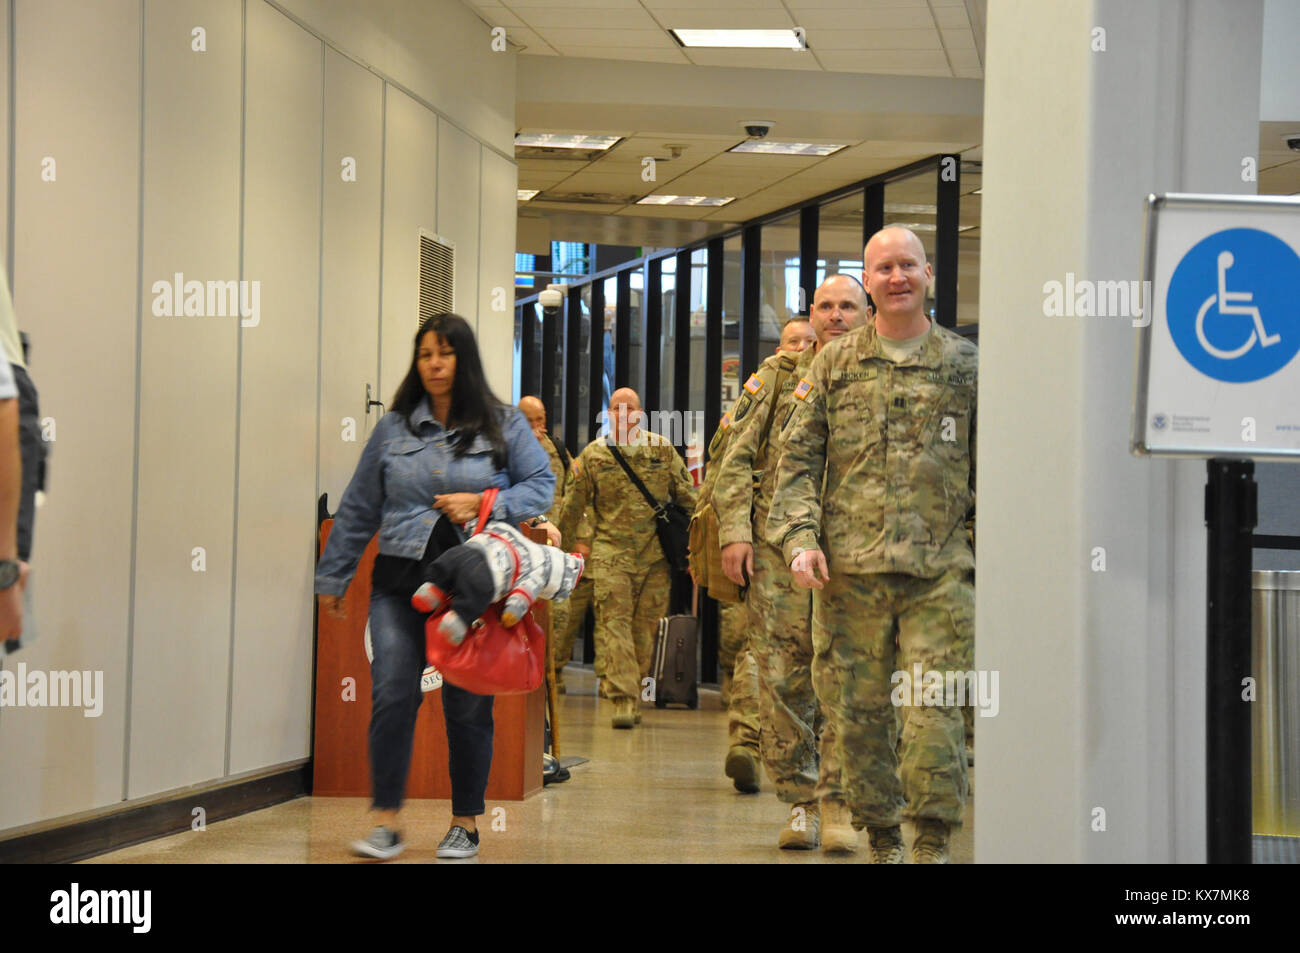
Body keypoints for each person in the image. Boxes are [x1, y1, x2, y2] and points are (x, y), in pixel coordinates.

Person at [767, 227, 977, 864]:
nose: (897, 278)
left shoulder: (966, 366)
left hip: (937, 576)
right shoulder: (833, 363)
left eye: (907, 265)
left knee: (934, 712)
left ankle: (932, 841)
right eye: (883, 268)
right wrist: (800, 540)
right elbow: (797, 459)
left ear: (928, 274)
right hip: (848, 577)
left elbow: (1002, 463)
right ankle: (882, 838)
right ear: (869, 279)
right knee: (857, 718)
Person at [316, 313, 555, 861]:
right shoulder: (394, 427)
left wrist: (487, 503)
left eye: (445, 354)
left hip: (473, 588)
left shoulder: (502, 424)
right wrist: (335, 574)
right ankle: (385, 821)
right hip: (399, 582)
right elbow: (358, 507)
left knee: (466, 704)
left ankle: (465, 821)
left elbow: (541, 483)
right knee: (392, 693)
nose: (435, 364)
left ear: (462, 359)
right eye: (425, 354)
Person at [713, 283, 869, 849]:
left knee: (847, 678)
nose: (835, 316)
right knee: (782, 678)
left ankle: (839, 806)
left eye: (846, 306)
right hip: (779, 555)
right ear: (811, 315)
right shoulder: (778, 377)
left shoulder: (879, 373)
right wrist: (734, 533)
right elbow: (736, 459)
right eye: (825, 307)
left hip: (854, 555)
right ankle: (801, 802)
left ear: (865, 313)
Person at [706, 318, 817, 797]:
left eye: (808, 341)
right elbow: (727, 453)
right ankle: (751, 746)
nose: (803, 347)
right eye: (795, 340)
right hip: (770, 542)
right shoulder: (772, 379)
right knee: (766, 649)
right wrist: (734, 532)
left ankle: (820, 777)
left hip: (833, 545)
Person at [556, 388, 696, 729]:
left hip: (654, 558)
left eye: (629, 407)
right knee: (613, 625)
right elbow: (572, 505)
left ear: (640, 414)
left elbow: (688, 498)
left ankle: (634, 686)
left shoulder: (661, 450)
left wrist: (699, 546)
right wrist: (559, 546)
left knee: (644, 630)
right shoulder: (594, 456)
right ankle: (623, 698)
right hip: (610, 554)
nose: (622, 412)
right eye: (616, 407)